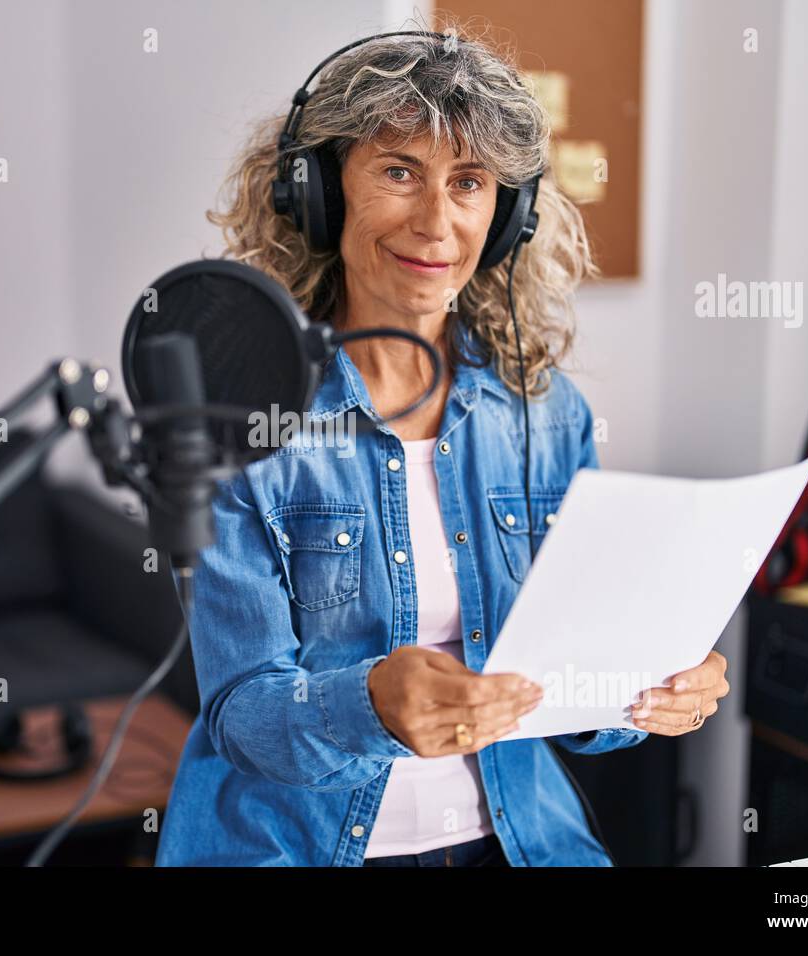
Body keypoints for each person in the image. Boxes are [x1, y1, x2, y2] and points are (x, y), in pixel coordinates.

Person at [155, 24, 729, 867]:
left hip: (520, 843)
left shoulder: (545, 413)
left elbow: (584, 693)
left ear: (507, 218)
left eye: (469, 183)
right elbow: (242, 715)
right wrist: (370, 706)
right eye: (398, 172)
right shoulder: (242, 421)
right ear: (317, 192)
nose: (436, 222)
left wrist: (646, 692)